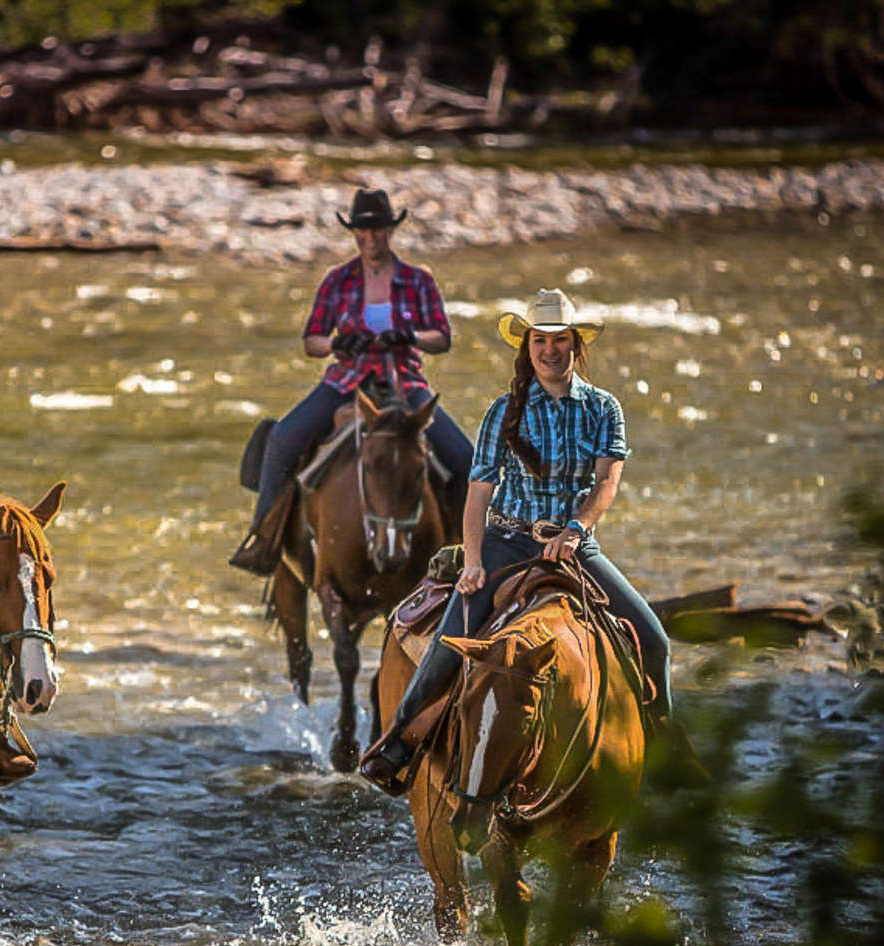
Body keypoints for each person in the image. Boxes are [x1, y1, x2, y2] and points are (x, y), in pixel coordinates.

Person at [358, 288, 683, 790]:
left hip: (574, 545)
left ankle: (661, 749)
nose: (550, 350)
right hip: (506, 542)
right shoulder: (501, 411)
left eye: (559, 340)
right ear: (526, 347)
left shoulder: (603, 408)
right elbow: (478, 495)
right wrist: (472, 561)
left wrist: (576, 531)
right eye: (539, 341)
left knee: (653, 639)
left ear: (576, 344)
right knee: (450, 639)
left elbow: (606, 484)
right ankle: (398, 739)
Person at [230, 187, 473, 575]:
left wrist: (408, 337)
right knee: (281, 438)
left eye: (379, 231)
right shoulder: (338, 280)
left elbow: (442, 337)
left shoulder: (417, 279)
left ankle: (467, 552)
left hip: (404, 383)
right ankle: (264, 539)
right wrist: (338, 342)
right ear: (355, 234)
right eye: (365, 232)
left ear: (390, 232)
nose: (373, 240)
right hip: (346, 381)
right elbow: (312, 341)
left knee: (464, 458)